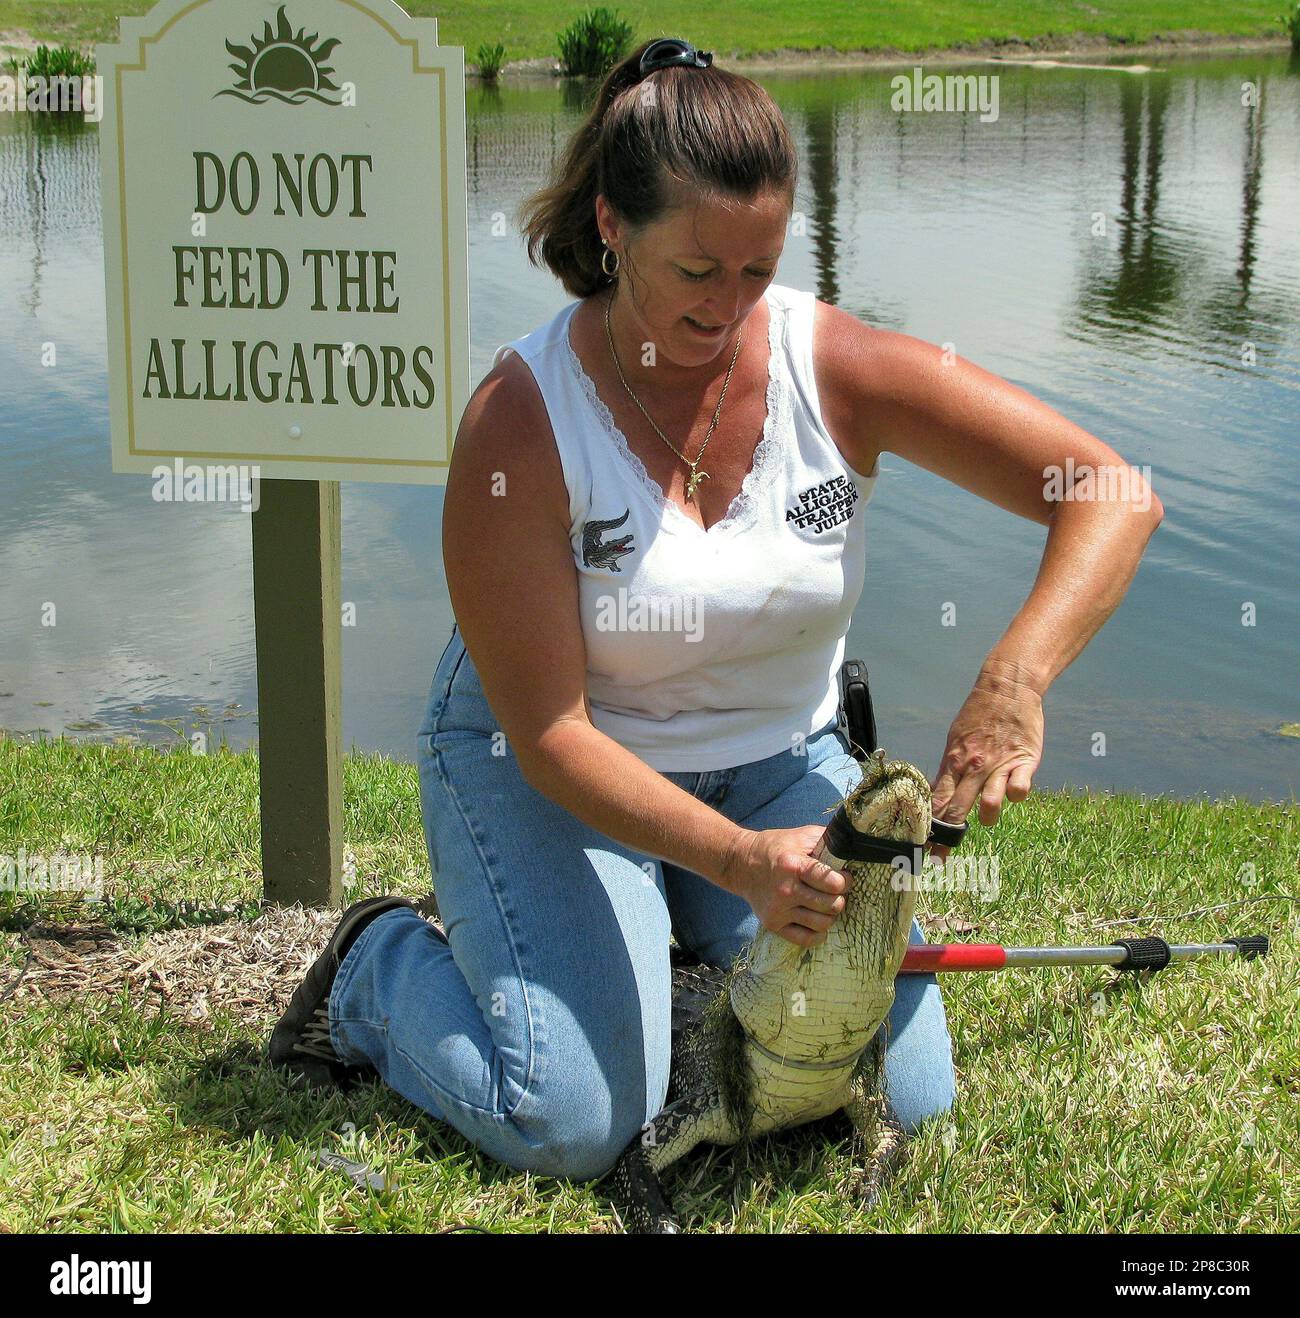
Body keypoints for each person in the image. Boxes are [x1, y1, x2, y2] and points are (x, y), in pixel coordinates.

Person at [269, 38, 1163, 1184]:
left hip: (779, 759)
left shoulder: (829, 363)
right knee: (574, 1123)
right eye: (698, 271)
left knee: (912, 1092)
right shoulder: (520, 418)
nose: (732, 306)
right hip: (555, 767)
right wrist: (743, 861)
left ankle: (675, 934)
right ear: (611, 226)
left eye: (759, 268)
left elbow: (1108, 494)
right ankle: (372, 970)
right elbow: (549, 735)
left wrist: (1015, 677)